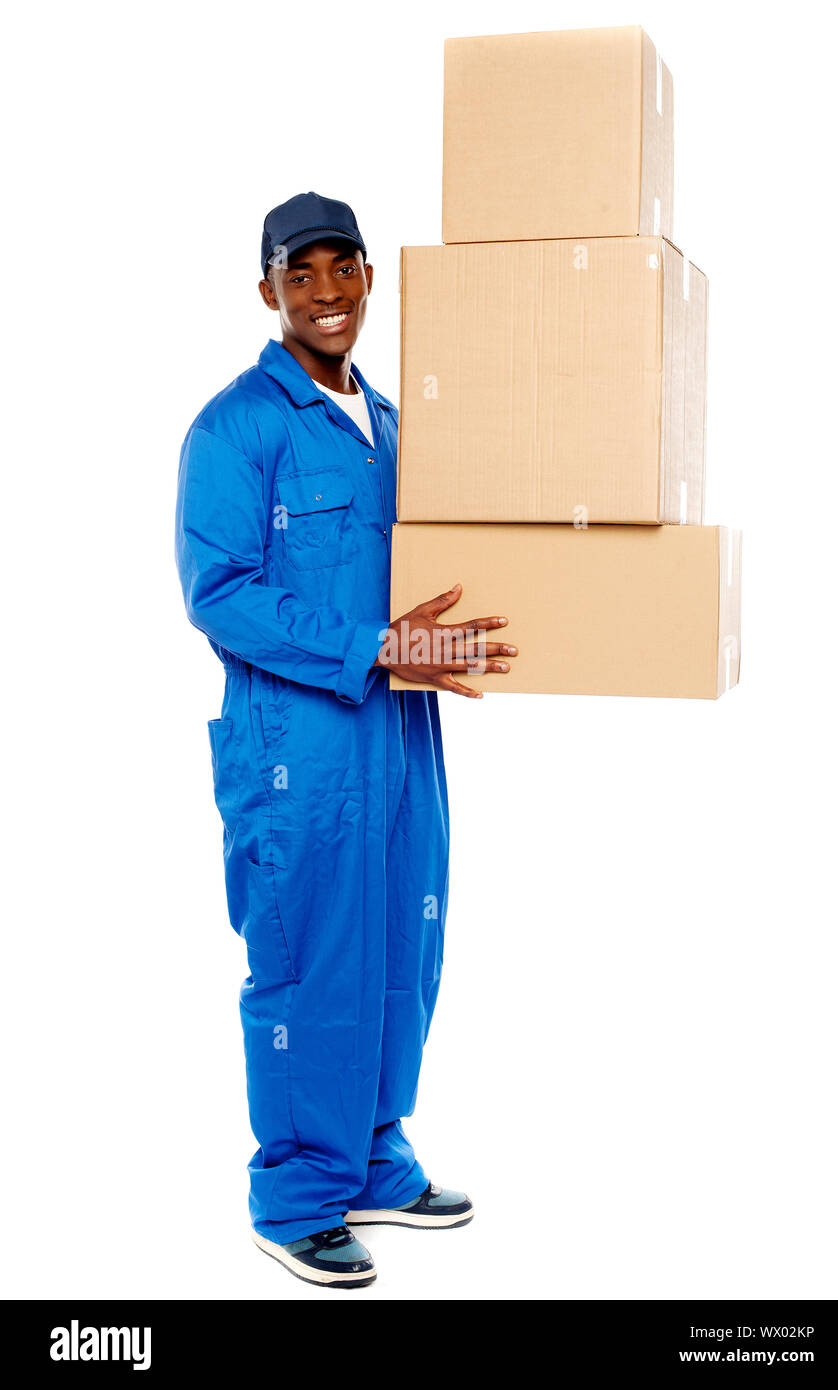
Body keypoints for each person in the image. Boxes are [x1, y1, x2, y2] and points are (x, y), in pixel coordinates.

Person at [175, 192, 517, 1288]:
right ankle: (295, 1192)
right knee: (308, 957)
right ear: (268, 290)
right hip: (300, 747)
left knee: (402, 947)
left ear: (370, 278)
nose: (329, 292)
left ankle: (373, 1157)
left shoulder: (394, 425)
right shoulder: (236, 428)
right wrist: (374, 644)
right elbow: (218, 592)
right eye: (303, 272)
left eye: (347, 268)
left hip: (402, 734)